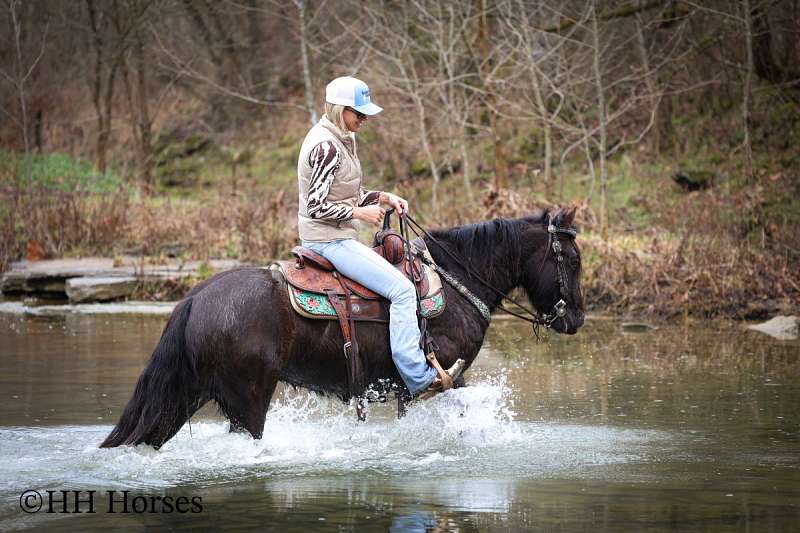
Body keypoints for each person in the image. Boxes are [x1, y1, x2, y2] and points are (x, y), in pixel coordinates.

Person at [296, 76, 459, 397]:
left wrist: (383, 198)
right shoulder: (327, 146)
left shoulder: (341, 138)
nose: (364, 119)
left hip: (338, 235)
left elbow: (348, 193)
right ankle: (418, 377)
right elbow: (316, 206)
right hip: (328, 240)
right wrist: (359, 214)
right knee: (401, 291)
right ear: (340, 110)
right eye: (359, 113)